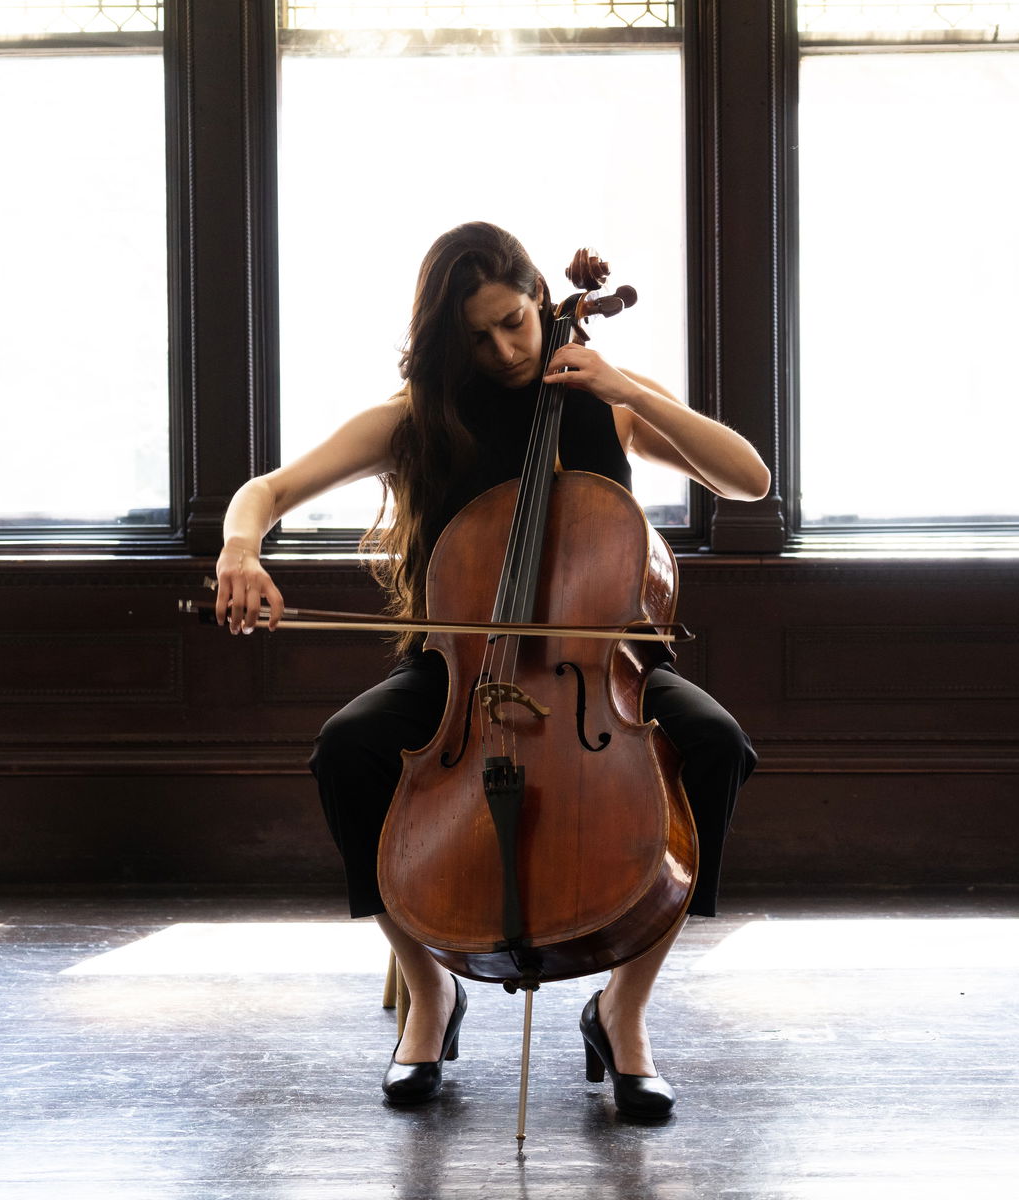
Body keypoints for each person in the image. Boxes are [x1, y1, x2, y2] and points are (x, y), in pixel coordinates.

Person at [213, 222, 770, 1118]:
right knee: (347, 749)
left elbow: (747, 480)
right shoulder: (419, 416)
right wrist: (241, 548)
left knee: (713, 743)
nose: (507, 349)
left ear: (542, 298)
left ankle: (622, 1013)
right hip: (463, 670)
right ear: (447, 340)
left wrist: (627, 388)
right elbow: (266, 493)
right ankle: (430, 993)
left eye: (515, 321)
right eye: (477, 336)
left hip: (599, 662)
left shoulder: (602, 395)